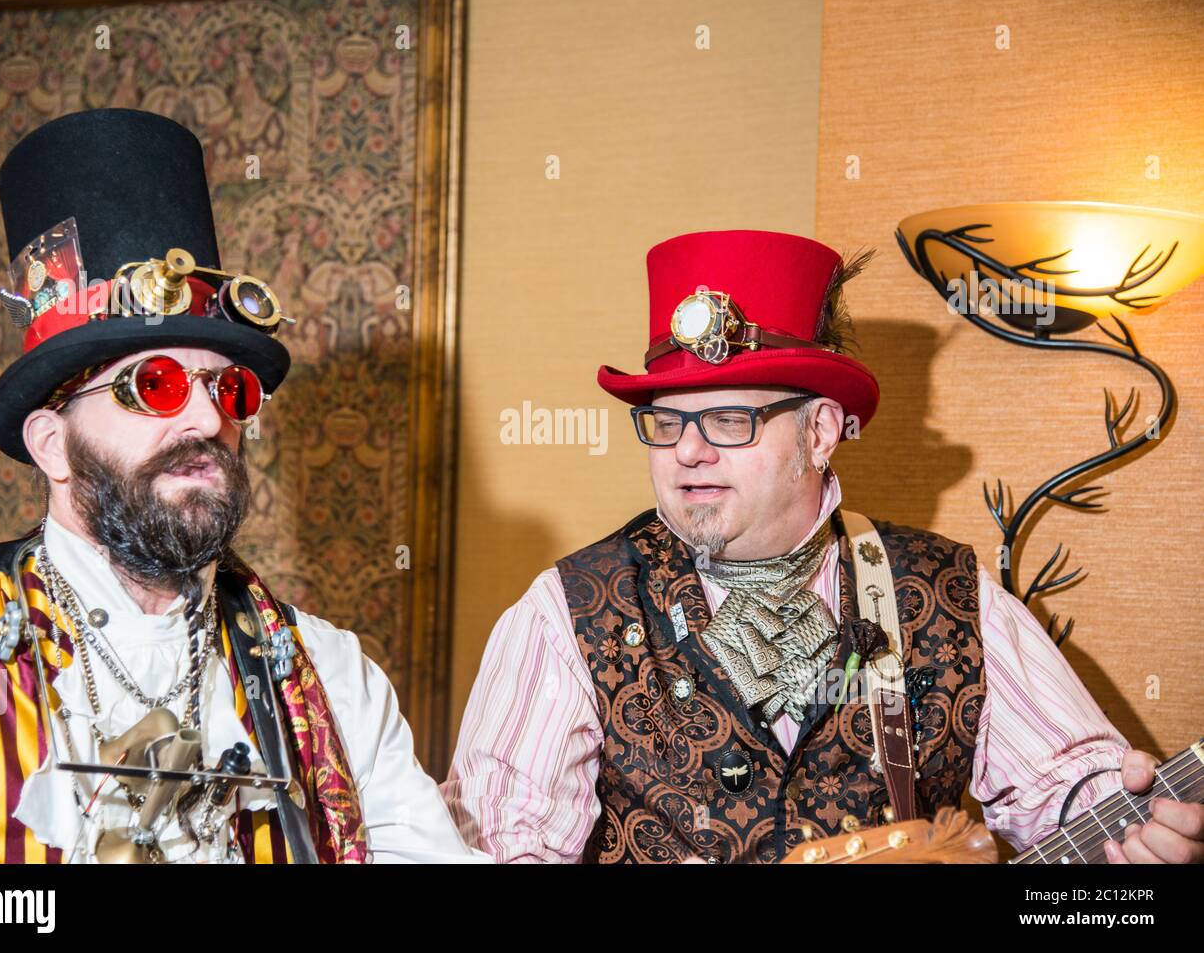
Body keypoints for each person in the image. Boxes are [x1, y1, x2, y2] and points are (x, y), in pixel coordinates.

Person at [443, 229, 1204, 864]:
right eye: (668, 421)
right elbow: (493, 849)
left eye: (730, 420)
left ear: (820, 430)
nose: (689, 451)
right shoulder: (567, 614)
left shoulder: (948, 595)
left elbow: (1073, 792)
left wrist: (1130, 855)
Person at [0, 108, 479, 864]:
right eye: (157, 383)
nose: (208, 416)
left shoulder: (333, 673)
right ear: (52, 445)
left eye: (227, 387)